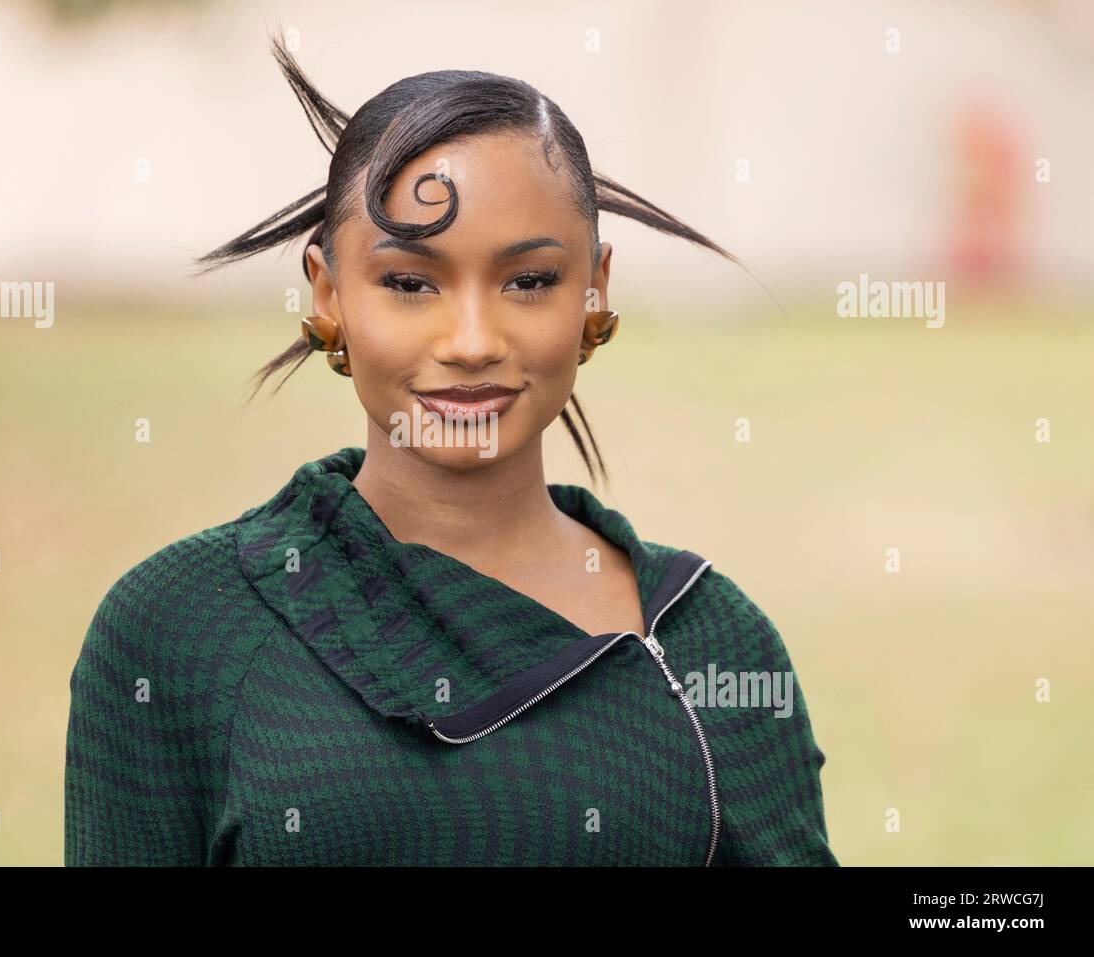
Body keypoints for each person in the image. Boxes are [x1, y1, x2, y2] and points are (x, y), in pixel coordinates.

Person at [64, 34, 839, 867]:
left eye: (529, 281)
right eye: (408, 283)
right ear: (329, 295)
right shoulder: (179, 628)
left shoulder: (709, 643)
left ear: (594, 291)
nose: (471, 341)